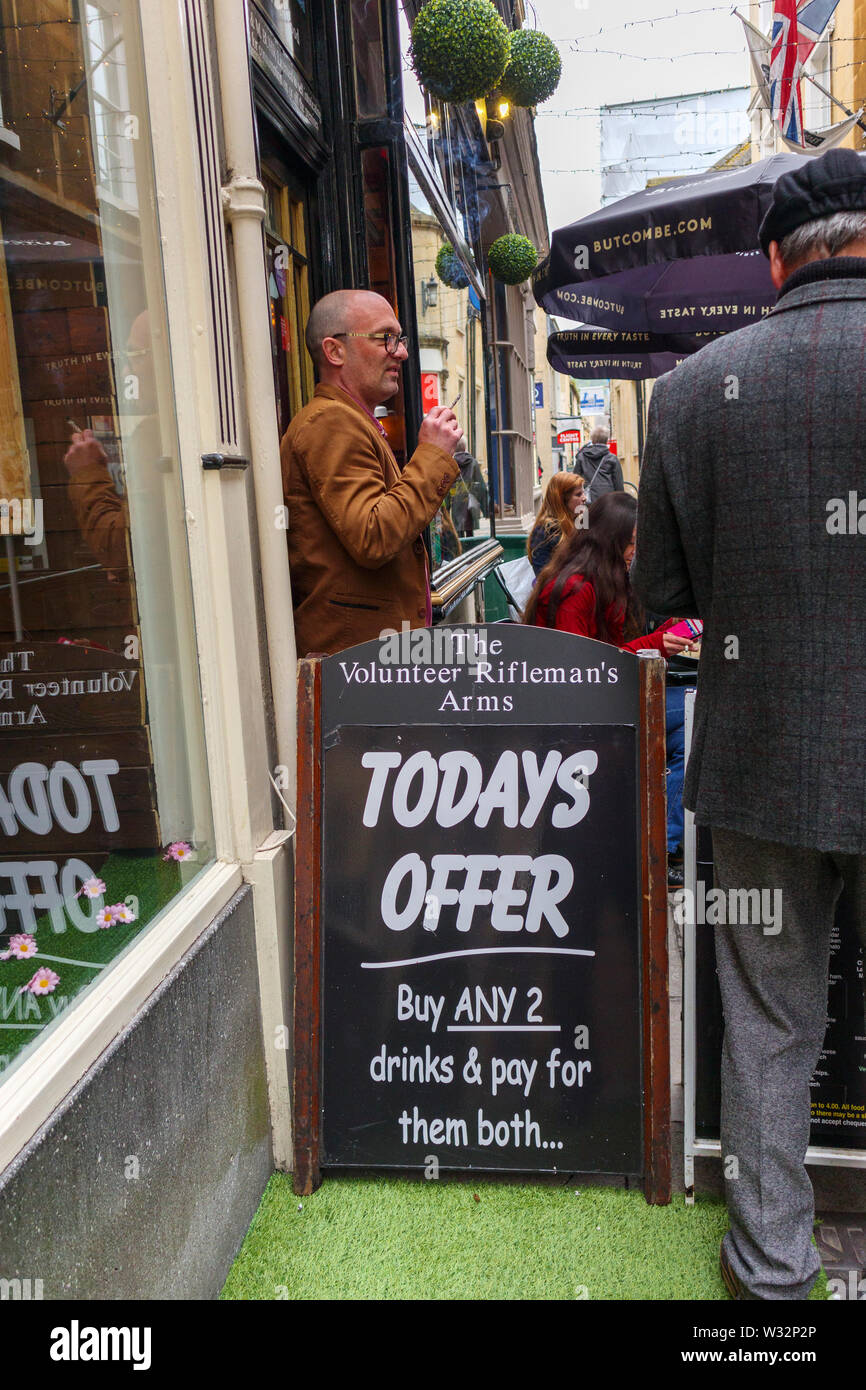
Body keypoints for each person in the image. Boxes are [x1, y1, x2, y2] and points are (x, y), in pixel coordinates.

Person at [630, 147, 866, 1301]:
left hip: (760, 754)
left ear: (773, 260)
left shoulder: (688, 391)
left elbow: (659, 595)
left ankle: (770, 1268)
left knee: (769, 1020)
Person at [281, 290, 462, 656]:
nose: (401, 352)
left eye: (400, 339)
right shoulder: (330, 421)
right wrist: (431, 456)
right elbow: (373, 536)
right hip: (356, 666)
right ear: (335, 351)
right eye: (385, 338)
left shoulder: (349, 420)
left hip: (370, 661)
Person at [523, 491, 692, 661]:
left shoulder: (603, 581)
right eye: (631, 543)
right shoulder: (574, 590)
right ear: (606, 542)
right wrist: (654, 645)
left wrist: (668, 632)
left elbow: (611, 651)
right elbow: (579, 670)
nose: (636, 552)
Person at [526, 471, 586, 577]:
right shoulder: (545, 531)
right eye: (578, 495)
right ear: (561, 500)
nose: (584, 498)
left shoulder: (578, 523)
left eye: (583, 493)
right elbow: (543, 577)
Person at [449, 437, 488, 537]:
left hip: (456, 502)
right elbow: (481, 487)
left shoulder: (450, 464)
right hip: (470, 503)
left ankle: (461, 552)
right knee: (470, 533)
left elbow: (448, 486)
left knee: (459, 534)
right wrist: (486, 509)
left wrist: (446, 508)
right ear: (465, 447)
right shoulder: (473, 463)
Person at [574, 425, 622, 502]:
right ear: (607, 440)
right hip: (608, 500)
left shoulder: (582, 457)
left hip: (588, 499)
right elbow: (618, 484)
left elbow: (575, 479)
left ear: (592, 440)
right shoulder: (612, 458)